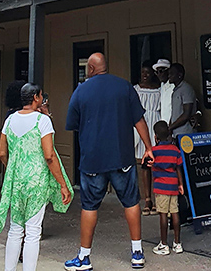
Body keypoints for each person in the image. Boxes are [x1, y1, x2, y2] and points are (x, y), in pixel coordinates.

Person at [64, 52, 154, 271]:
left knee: (89, 206)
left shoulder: (81, 91)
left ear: (92, 69)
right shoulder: (124, 87)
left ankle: (84, 257)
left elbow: (73, 124)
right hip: (122, 156)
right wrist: (149, 148)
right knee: (131, 203)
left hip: (93, 160)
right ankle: (137, 252)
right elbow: (139, 120)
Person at [0, 83, 73, 271]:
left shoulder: (10, 120)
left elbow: (2, 153)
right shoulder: (42, 121)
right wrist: (62, 184)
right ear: (36, 97)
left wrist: (12, 167)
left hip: (16, 180)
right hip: (37, 180)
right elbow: (49, 156)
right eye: (41, 96)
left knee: (15, 229)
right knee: (33, 231)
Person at [150, 120, 184, 256]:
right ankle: (177, 243)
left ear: (155, 136)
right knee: (175, 213)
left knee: (163, 214)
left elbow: (149, 165)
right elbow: (178, 169)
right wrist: (180, 185)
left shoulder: (154, 151)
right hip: (173, 186)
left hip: (161, 187)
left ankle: (164, 244)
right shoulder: (175, 150)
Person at [134, 61, 161, 215]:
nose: (145, 76)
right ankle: (147, 198)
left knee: (157, 162)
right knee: (145, 164)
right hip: (142, 125)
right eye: (142, 72)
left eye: (148, 73)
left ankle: (158, 197)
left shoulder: (159, 90)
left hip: (156, 124)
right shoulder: (135, 90)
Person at [168, 63, 196, 139]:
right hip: (176, 133)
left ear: (179, 75)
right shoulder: (176, 90)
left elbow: (186, 114)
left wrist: (170, 127)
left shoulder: (186, 89)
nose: (169, 76)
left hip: (185, 132)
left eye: (172, 73)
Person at [153, 58, 173, 124]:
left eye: (161, 71)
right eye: (157, 72)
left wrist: (198, 113)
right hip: (164, 126)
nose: (159, 74)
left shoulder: (174, 85)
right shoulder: (162, 86)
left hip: (174, 125)